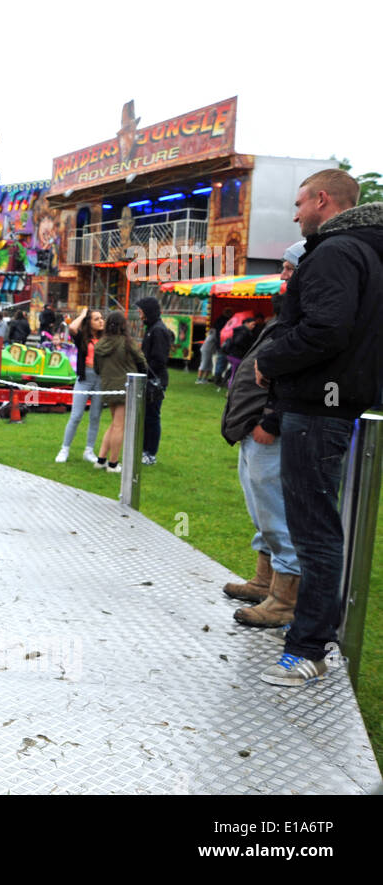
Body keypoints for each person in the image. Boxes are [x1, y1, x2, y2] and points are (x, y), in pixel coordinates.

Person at [253, 168, 383, 687]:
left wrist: (272, 360)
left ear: (322, 200)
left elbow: (326, 328)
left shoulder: (334, 251)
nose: (294, 213)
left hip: (319, 409)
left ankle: (307, 648)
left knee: (315, 532)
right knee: (318, 528)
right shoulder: (362, 250)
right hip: (331, 404)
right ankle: (311, 638)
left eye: (300, 202)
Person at [220, 283, 298, 627]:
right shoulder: (281, 322)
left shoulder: (301, 324)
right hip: (252, 429)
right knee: (261, 512)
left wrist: (271, 419)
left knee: (276, 516)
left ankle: (284, 601)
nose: (282, 275)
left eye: (288, 268)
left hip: (267, 432)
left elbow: (296, 377)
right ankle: (264, 582)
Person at [92, 310, 147, 473]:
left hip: (108, 387)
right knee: (119, 426)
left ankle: (101, 459)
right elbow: (142, 361)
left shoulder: (100, 344)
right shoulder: (127, 343)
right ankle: (113, 464)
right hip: (126, 387)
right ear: (124, 325)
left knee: (115, 424)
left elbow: (96, 369)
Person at [55, 307, 105, 463]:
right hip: (85, 378)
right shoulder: (82, 337)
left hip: (100, 379)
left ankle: (89, 450)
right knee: (76, 416)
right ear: (89, 323)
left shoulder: (106, 339)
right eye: (96, 319)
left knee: (95, 416)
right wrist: (83, 315)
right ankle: (65, 449)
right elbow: (72, 328)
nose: (101, 321)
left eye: (102, 318)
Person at [135, 296, 172, 465]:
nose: (139, 314)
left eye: (141, 311)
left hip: (154, 381)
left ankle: (151, 452)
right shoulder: (152, 328)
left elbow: (159, 359)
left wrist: (145, 369)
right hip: (148, 378)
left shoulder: (158, 330)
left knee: (152, 416)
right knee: (146, 416)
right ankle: (143, 449)